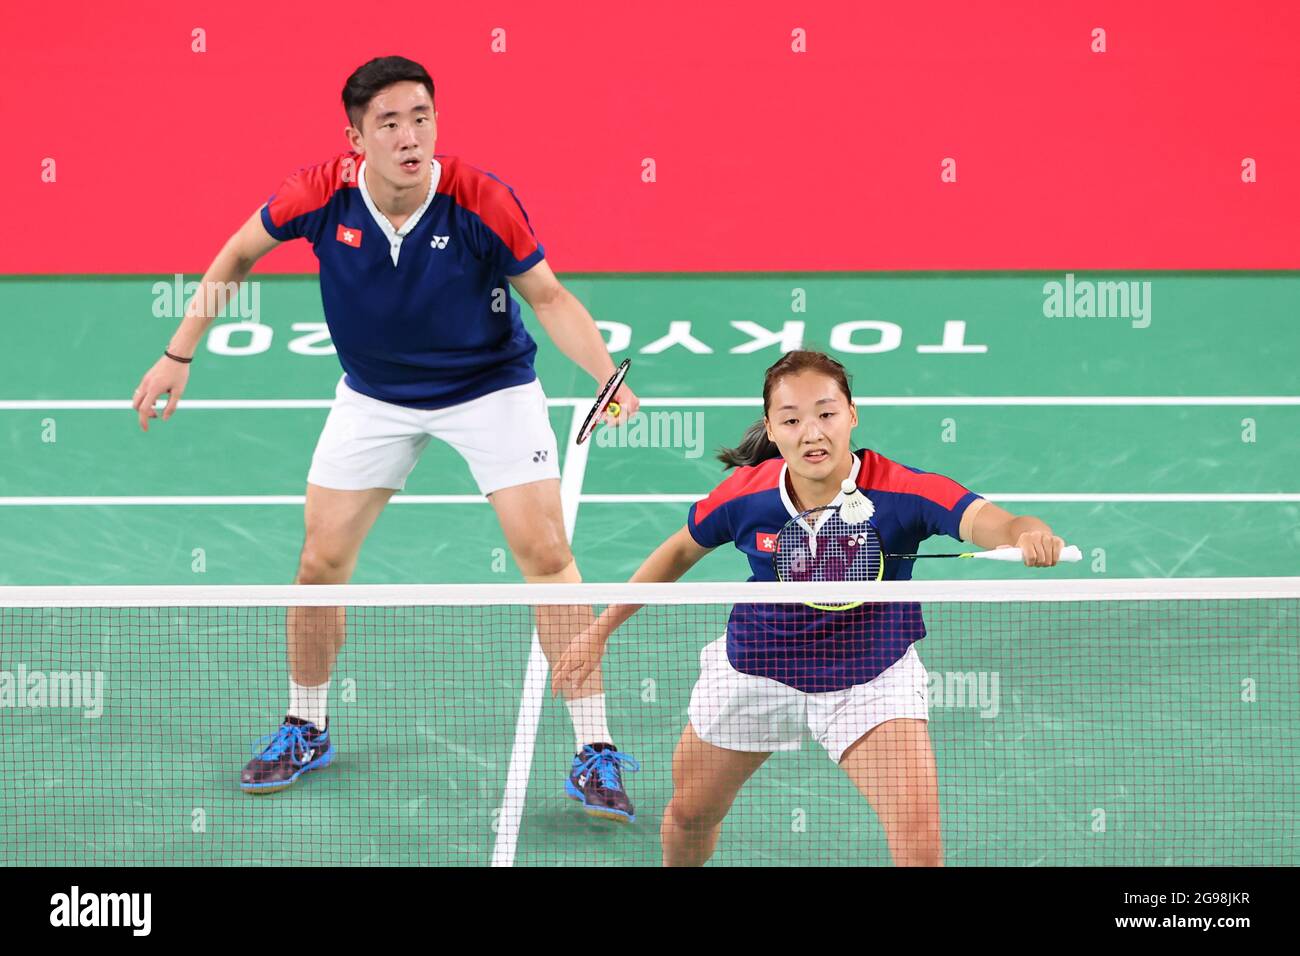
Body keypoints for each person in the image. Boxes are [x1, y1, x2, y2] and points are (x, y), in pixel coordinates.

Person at [131, 55, 641, 822]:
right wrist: (179, 351)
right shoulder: (317, 192)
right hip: (375, 398)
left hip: (490, 389)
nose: (410, 137)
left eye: (422, 117)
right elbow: (237, 253)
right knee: (318, 564)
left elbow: (549, 296)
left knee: (548, 557)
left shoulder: (479, 197)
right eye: (390, 124)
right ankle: (306, 723)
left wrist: (606, 374)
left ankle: (594, 748)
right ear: (356, 137)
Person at [553, 350, 1066, 863]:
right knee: (691, 815)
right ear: (772, 431)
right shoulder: (747, 496)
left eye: (826, 413)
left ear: (852, 414)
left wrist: (1030, 532)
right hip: (757, 671)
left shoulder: (903, 490)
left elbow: (999, 524)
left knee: (919, 834)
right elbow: (680, 550)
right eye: (792, 419)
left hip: (869, 678)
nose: (812, 432)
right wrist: (600, 631)